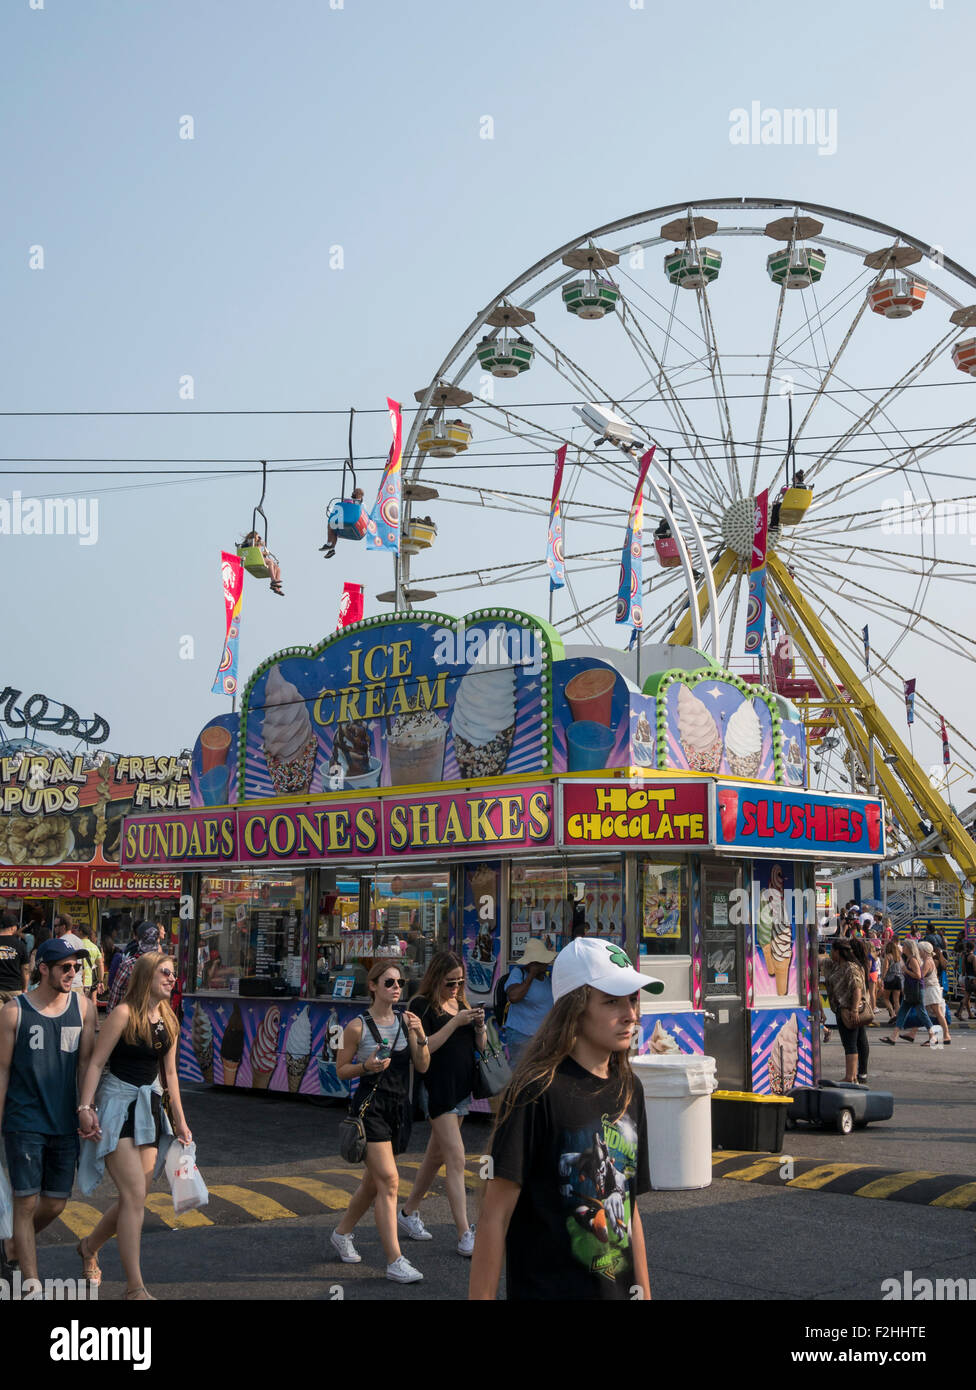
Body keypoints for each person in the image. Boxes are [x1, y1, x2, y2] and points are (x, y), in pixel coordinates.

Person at [469, 937, 658, 1301]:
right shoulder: (536, 1091)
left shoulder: (630, 1088)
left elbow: (631, 1212)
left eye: (632, 999)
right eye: (612, 1001)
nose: (631, 1014)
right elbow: (494, 1217)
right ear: (575, 1008)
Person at [76, 953, 191, 1299]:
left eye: (173, 974)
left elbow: (169, 1074)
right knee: (133, 1196)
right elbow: (96, 1063)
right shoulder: (123, 1014)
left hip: (150, 1108)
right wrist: (85, 1106)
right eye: (166, 973)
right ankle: (135, 1288)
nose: (172, 979)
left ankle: (88, 1246)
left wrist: (182, 1123)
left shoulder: (168, 1018)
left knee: (136, 1199)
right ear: (146, 976)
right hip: (118, 1106)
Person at [0, 939, 96, 1287]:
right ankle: (31, 1284)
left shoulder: (84, 1009)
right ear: (44, 969)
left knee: (55, 1203)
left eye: (77, 967)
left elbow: (87, 1064)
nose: (73, 973)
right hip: (23, 1120)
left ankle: (12, 1244)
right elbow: (2, 1071)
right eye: (66, 967)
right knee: (24, 1204)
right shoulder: (14, 1011)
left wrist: (86, 1106)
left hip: (64, 1120)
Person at [330, 959, 430, 1283]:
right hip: (369, 1111)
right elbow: (340, 1069)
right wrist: (366, 1067)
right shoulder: (357, 1026)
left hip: (399, 1111)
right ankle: (394, 1261)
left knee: (372, 1183)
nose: (397, 988)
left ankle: (341, 1233)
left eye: (400, 982)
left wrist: (422, 1035)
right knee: (388, 1180)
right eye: (389, 982)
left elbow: (423, 1066)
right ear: (372, 986)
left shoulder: (406, 1022)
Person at [399, 951, 486, 1256]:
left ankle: (408, 1213)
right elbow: (423, 1049)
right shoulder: (420, 1006)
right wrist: (455, 1022)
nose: (455, 988)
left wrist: (478, 1026)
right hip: (437, 1090)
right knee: (457, 1159)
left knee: (435, 1157)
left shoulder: (460, 1002)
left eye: (460, 982)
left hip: (461, 1089)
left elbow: (479, 1047)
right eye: (450, 983)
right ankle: (465, 1232)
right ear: (436, 978)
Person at [504, 939, 556, 1065]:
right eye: (543, 961)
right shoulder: (518, 973)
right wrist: (531, 975)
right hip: (522, 1036)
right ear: (534, 963)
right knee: (519, 1072)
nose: (546, 963)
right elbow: (514, 997)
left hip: (541, 1036)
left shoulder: (546, 979)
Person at [824, 940, 869, 1084]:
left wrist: (854, 1009)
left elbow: (857, 988)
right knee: (855, 1041)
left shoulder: (849, 967)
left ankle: (850, 1076)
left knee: (850, 1043)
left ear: (838, 952)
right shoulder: (839, 966)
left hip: (848, 1009)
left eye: (833, 950)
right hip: (842, 1008)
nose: (831, 953)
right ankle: (855, 1075)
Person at [882, 939, 933, 1044]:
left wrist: (905, 970)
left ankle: (933, 1036)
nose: (902, 948)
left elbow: (918, 976)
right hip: (911, 990)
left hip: (916, 990)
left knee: (922, 1014)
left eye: (904, 946)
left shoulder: (913, 960)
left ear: (909, 948)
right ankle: (893, 1037)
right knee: (901, 1013)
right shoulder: (909, 959)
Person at [106, 922, 161, 1013]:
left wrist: (112, 1018)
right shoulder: (164, 964)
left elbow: (115, 998)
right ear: (158, 939)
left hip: (132, 1017)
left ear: (137, 938)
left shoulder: (128, 965)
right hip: (157, 1018)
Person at [917, 941, 951, 1045]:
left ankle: (944, 1035)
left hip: (931, 989)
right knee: (930, 1013)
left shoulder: (927, 961)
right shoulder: (928, 960)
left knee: (936, 1013)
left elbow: (920, 975)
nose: (918, 952)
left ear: (924, 951)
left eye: (919, 950)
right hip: (931, 988)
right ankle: (941, 1035)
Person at [320, 487, 365, 559]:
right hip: (346, 518)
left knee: (331, 525)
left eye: (355, 492)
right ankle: (331, 549)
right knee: (334, 529)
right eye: (354, 492)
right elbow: (343, 508)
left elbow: (360, 512)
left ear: (359, 494)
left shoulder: (361, 504)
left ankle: (329, 544)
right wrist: (331, 509)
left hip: (352, 520)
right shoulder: (350, 501)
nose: (353, 493)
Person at [240, 530, 284, 596]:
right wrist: (262, 551)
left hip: (257, 558)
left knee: (278, 568)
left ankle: (276, 587)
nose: (258, 539)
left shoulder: (254, 544)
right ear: (253, 537)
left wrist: (261, 546)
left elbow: (257, 552)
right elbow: (254, 552)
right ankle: (273, 580)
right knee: (270, 562)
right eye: (257, 537)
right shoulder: (249, 543)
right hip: (253, 559)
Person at [0, 911, 30, 1003]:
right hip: (15, 989)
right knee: (13, 1016)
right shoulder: (20, 945)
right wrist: (25, 988)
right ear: (13, 928)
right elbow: (25, 969)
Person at [878, 939, 904, 1022]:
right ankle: (899, 1017)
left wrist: (882, 978)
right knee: (896, 1000)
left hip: (890, 978)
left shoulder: (888, 956)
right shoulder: (899, 957)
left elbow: (885, 968)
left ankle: (892, 1014)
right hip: (898, 978)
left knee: (886, 998)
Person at [957, 939, 976, 1021]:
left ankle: (959, 1013)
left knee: (966, 997)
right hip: (974, 979)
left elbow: (963, 970)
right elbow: (975, 969)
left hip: (967, 979)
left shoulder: (964, 956)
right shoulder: (973, 957)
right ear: (973, 948)